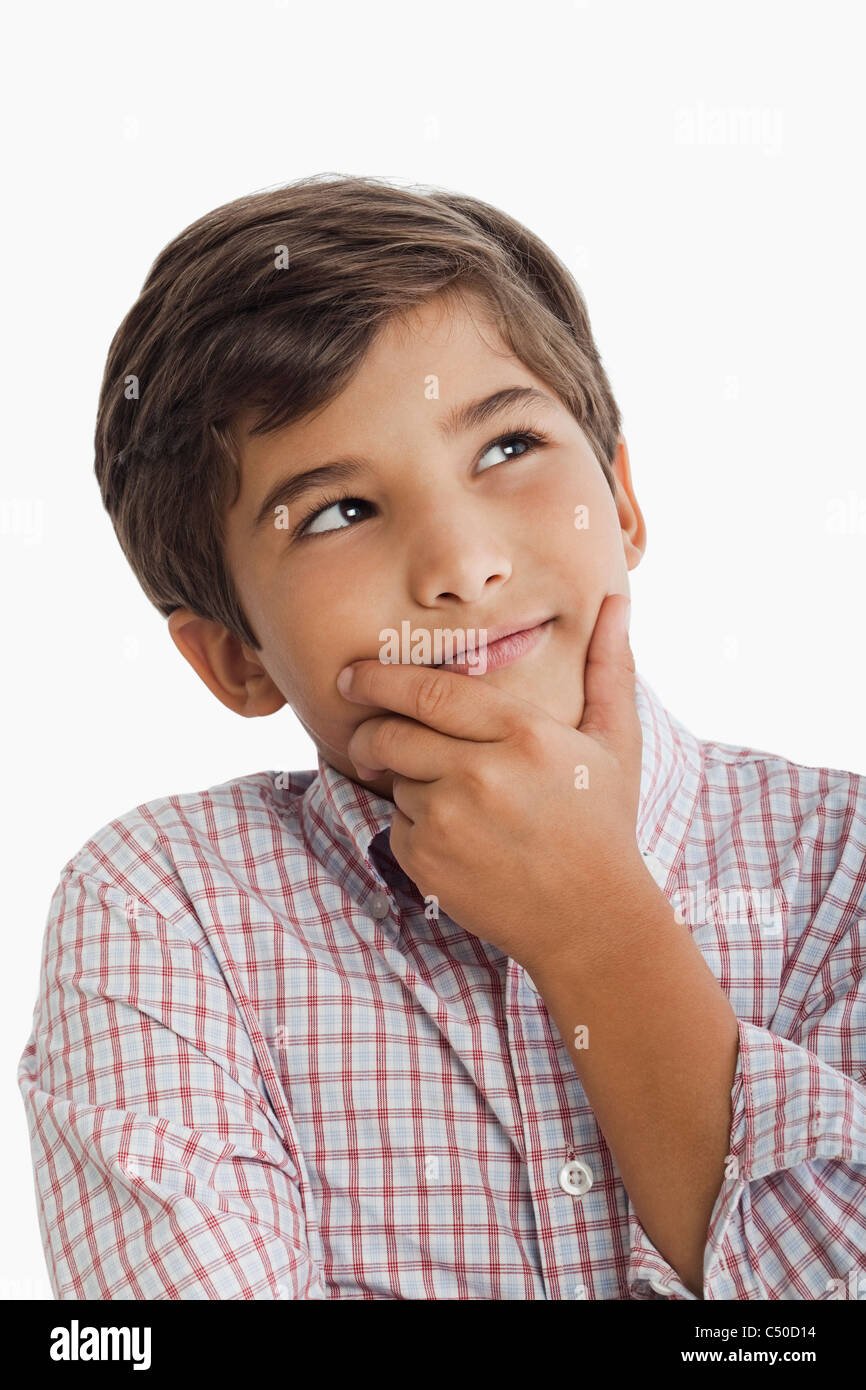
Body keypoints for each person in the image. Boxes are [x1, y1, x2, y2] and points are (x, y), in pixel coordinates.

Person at [17, 174, 866, 1300]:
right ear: (236, 656)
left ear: (619, 500)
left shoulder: (841, 869)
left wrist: (596, 931)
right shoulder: (166, 908)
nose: (462, 566)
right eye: (337, 512)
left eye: (508, 447)